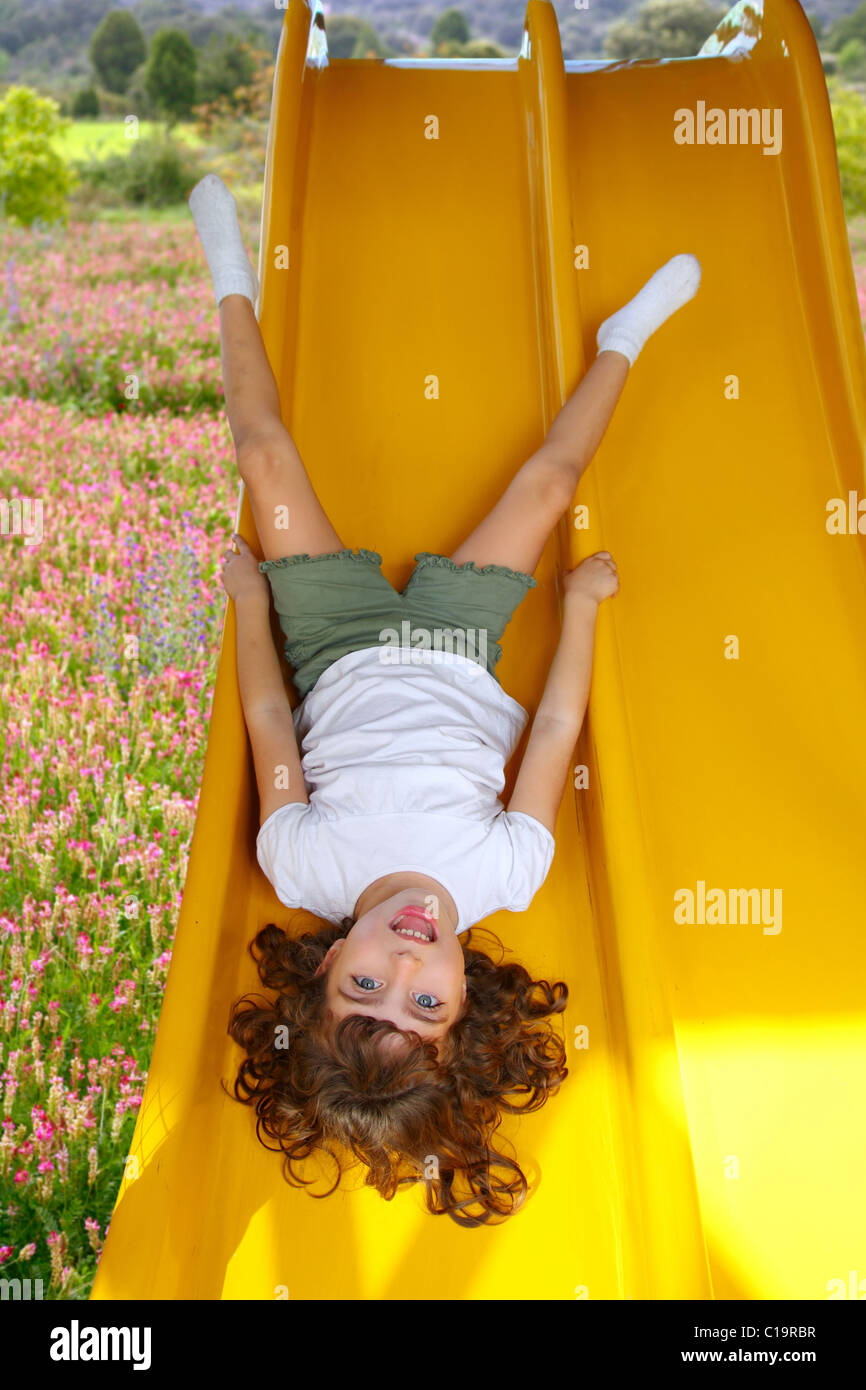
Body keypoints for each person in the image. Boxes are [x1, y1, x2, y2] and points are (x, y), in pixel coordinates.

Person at [189, 172, 701, 1224]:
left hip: (332, 641)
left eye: (363, 983)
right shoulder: (505, 873)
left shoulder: (302, 862)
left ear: (327, 962)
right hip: (459, 642)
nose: (407, 958)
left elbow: (271, 720)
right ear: (466, 1006)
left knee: (261, 457)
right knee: (546, 490)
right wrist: (578, 607)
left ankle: (229, 276)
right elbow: (555, 727)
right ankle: (624, 340)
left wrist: (249, 599)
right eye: (426, 1001)